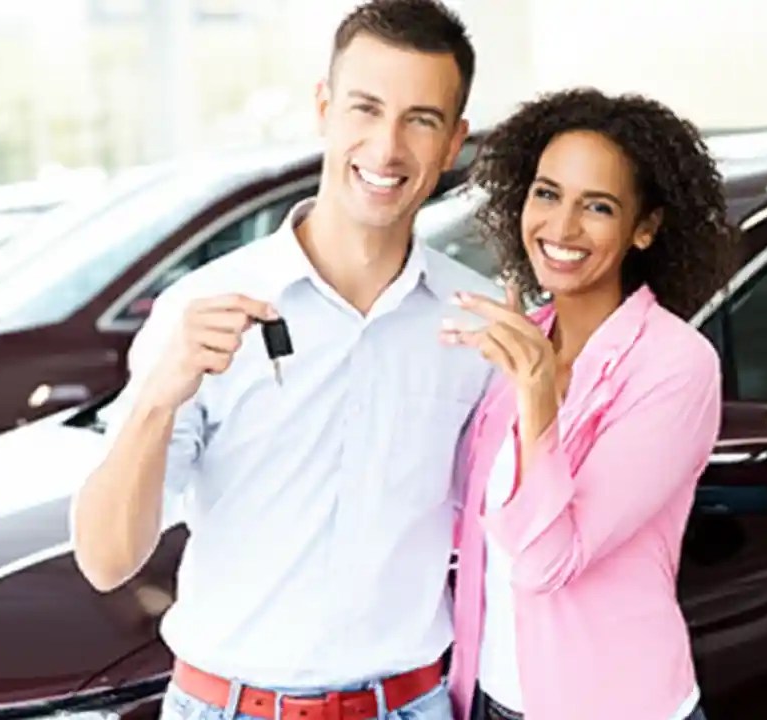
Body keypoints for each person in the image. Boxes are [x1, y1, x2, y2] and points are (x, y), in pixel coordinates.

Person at [69, 2, 498, 719]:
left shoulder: (481, 324)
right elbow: (106, 560)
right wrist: (155, 397)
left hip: (409, 706)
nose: (387, 147)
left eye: (420, 119)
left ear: (453, 142)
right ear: (324, 108)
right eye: (365, 108)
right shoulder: (201, 308)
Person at [439, 88, 737, 719]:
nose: (563, 227)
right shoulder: (524, 338)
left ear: (645, 227)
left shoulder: (676, 365)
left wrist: (539, 398)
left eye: (597, 206)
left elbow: (547, 560)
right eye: (547, 193)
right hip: (489, 698)